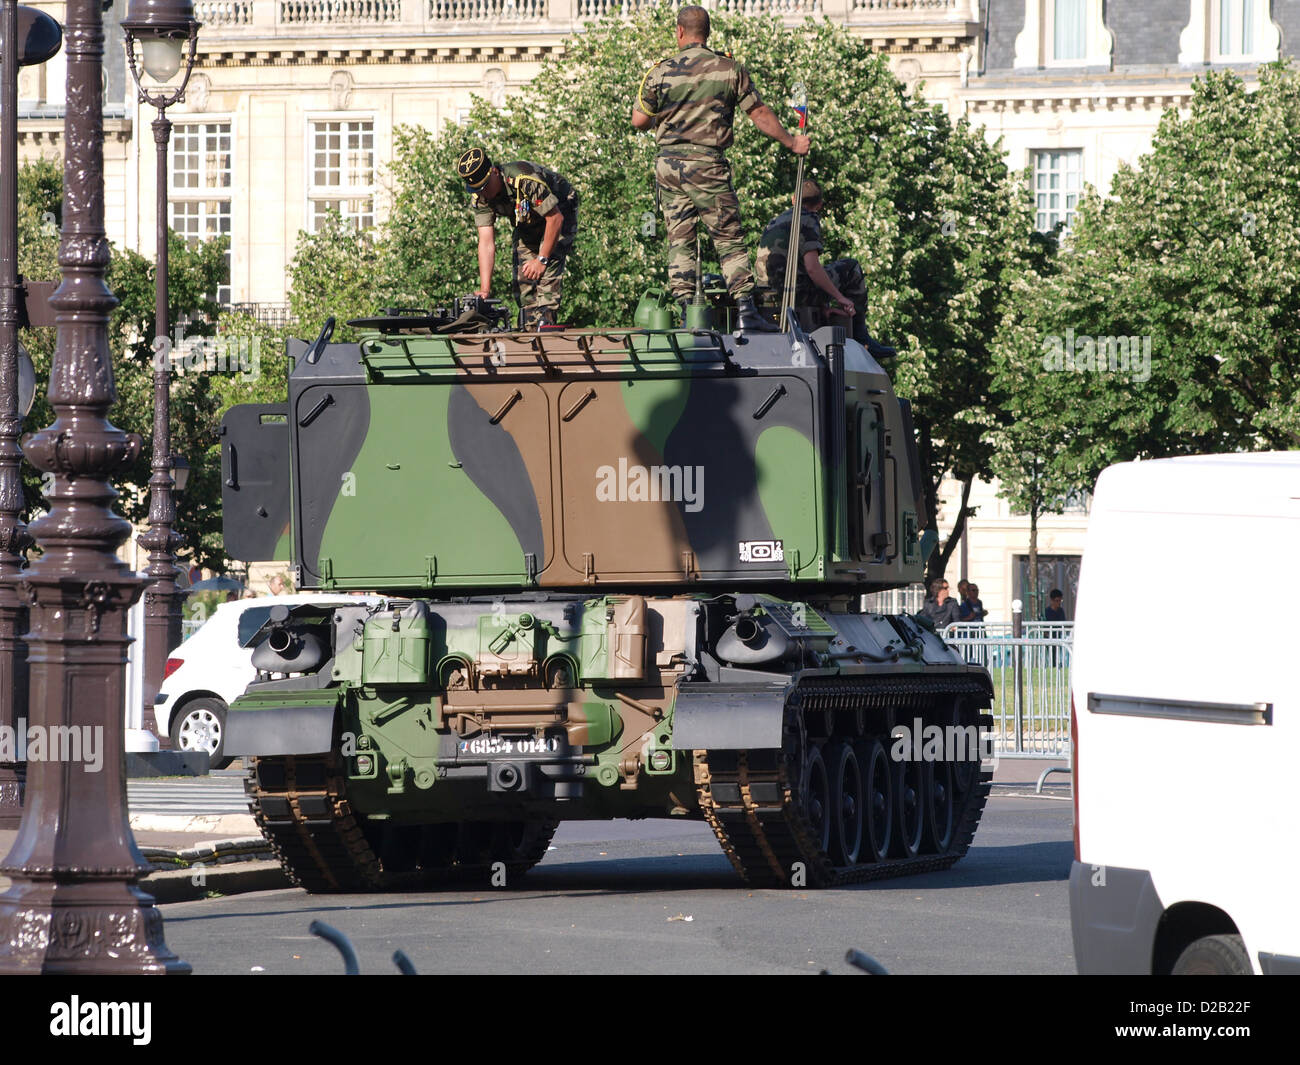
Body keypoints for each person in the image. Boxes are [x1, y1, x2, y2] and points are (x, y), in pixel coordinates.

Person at [630, 4, 809, 332]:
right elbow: (758, 113)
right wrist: (791, 142)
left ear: (679, 32)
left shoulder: (659, 71)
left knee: (680, 238)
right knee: (727, 235)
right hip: (707, 165)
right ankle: (745, 309)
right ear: (707, 32)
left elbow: (639, 120)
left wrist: (674, 112)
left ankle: (687, 311)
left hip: (668, 166)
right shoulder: (729, 68)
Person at [456, 147, 580, 330]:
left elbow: (555, 219)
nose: (483, 193)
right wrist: (485, 289)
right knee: (524, 279)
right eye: (478, 189)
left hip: (560, 209)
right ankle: (530, 327)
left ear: (495, 172)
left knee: (547, 270)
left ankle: (545, 322)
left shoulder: (525, 181)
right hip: (528, 220)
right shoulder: (480, 197)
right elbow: (486, 242)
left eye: (485, 187)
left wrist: (541, 259)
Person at [754, 180, 870, 341]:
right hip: (794, 294)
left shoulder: (775, 221)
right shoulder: (808, 219)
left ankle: (829, 310)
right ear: (819, 205)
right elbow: (812, 268)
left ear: (793, 199)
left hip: (768, 296)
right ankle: (860, 333)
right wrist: (839, 297)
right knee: (851, 267)